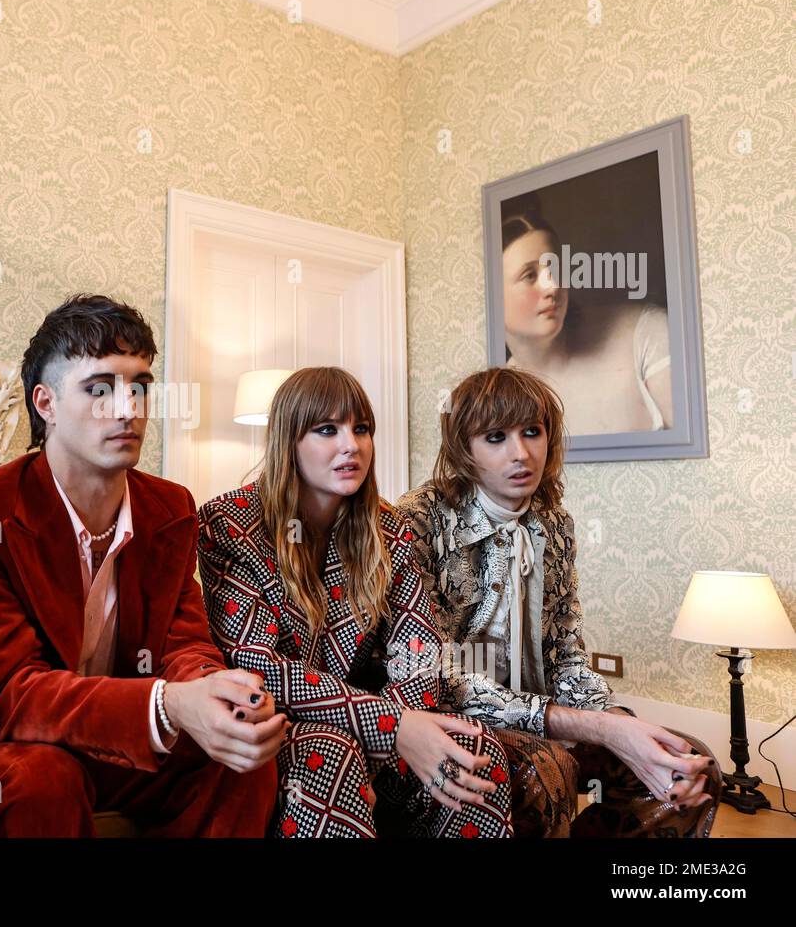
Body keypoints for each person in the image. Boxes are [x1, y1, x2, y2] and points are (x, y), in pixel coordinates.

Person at [0, 294, 281, 837]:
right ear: (46, 404)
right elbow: (12, 692)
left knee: (243, 762)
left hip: (121, 737)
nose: (127, 408)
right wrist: (169, 703)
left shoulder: (169, 506)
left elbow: (185, 643)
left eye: (140, 386)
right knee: (42, 778)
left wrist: (214, 694)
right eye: (99, 388)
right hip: (7, 740)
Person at [395, 366, 720, 837]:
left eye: (532, 431)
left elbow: (565, 654)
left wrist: (617, 722)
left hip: (544, 712)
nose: (521, 452)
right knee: (544, 770)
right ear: (463, 448)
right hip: (453, 719)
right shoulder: (419, 521)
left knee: (690, 761)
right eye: (495, 437)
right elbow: (438, 674)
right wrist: (596, 729)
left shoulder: (554, 524)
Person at [198, 366, 513, 838]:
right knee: (331, 752)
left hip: (370, 729)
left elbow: (418, 657)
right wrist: (392, 725)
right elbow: (258, 673)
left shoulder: (390, 529)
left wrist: (401, 729)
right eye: (328, 429)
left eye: (360, 428)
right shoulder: (229, 523)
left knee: (471, 745)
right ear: (289, 440)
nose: (352, 445)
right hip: (276, 729)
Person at [501, 211, 673, 435]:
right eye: (529, 276)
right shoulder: (500, 398)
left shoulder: (647, 332)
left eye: (555, 268)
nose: (552, 286)